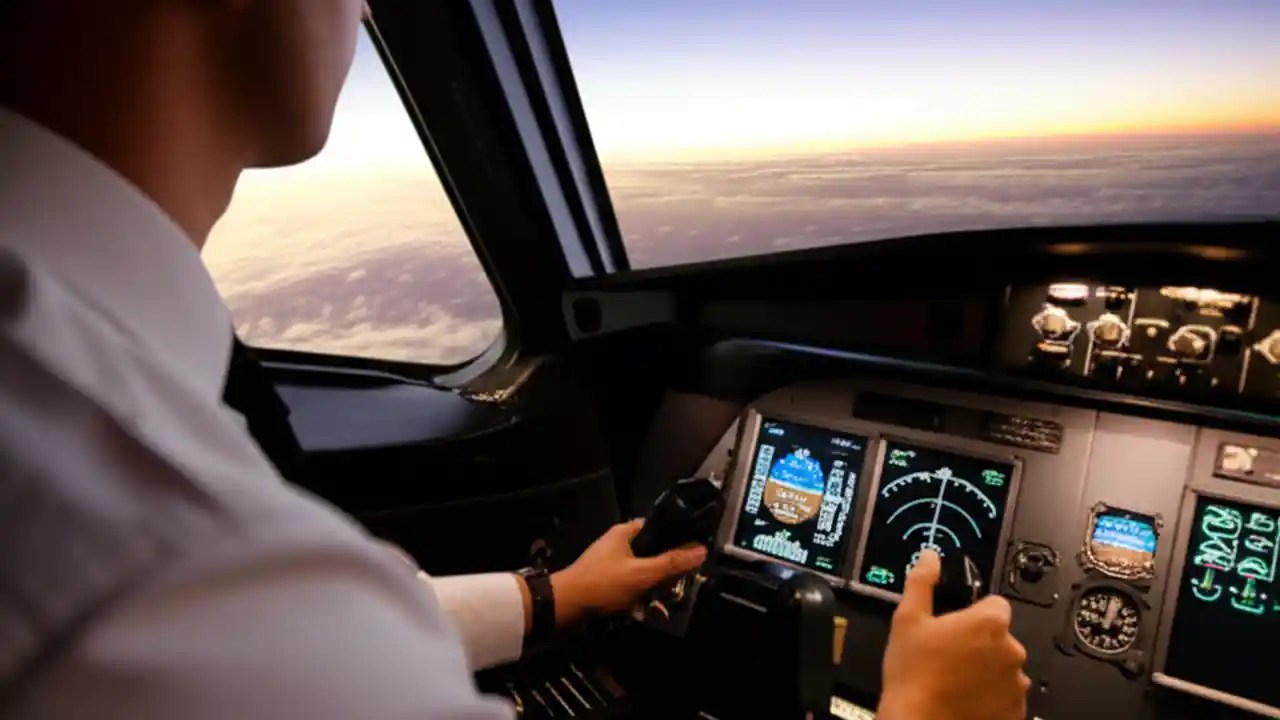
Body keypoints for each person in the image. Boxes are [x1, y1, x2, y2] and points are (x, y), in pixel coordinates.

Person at [0, 1, 1028, 718]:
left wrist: (552, 596)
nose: (365, 11)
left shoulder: (80, 405)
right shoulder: (139, 562)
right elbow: (267, 630)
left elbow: (300, 627)